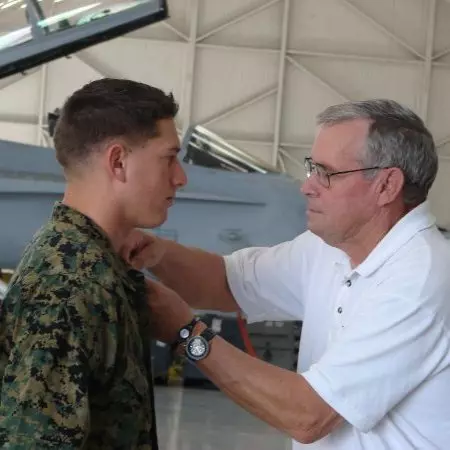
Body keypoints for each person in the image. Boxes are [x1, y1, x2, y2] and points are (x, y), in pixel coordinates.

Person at [122, 99, 450, 449]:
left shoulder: (420, 280)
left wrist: (188, 333)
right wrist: (156, 253)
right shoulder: (328, 249)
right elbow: (227, 282)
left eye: (327, 173)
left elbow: (309, 416)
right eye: (312, 168)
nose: (307, 186)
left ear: (386, 185)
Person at [0, 78, 187, 449]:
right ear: (118, 162)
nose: (180, 178)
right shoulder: (70, 284)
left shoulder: (94, 264)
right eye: (169, 158)